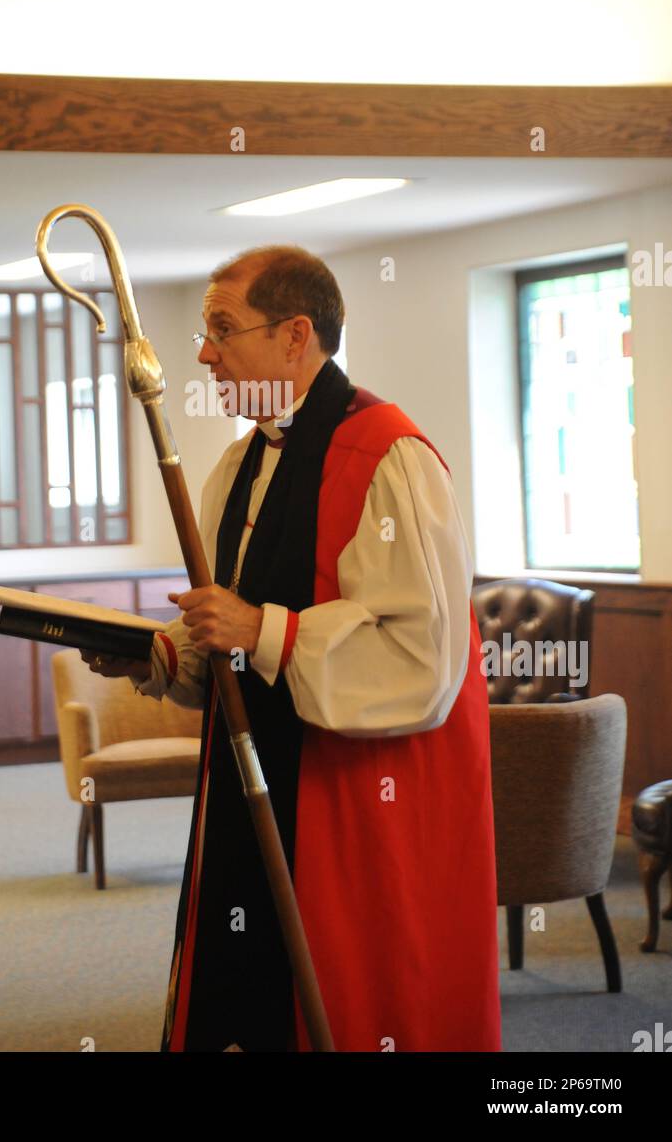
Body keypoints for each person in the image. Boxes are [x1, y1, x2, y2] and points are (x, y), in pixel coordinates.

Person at [82, 245, 501, 1053]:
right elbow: (227, 634)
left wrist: (260, 630)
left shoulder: (388, 459)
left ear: (294, 336)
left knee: (352, 1002)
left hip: (353, 805)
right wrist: (160, 658)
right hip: (252, 782)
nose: (202, 352)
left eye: (222, 328)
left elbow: (424, 663)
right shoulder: (236, 467)